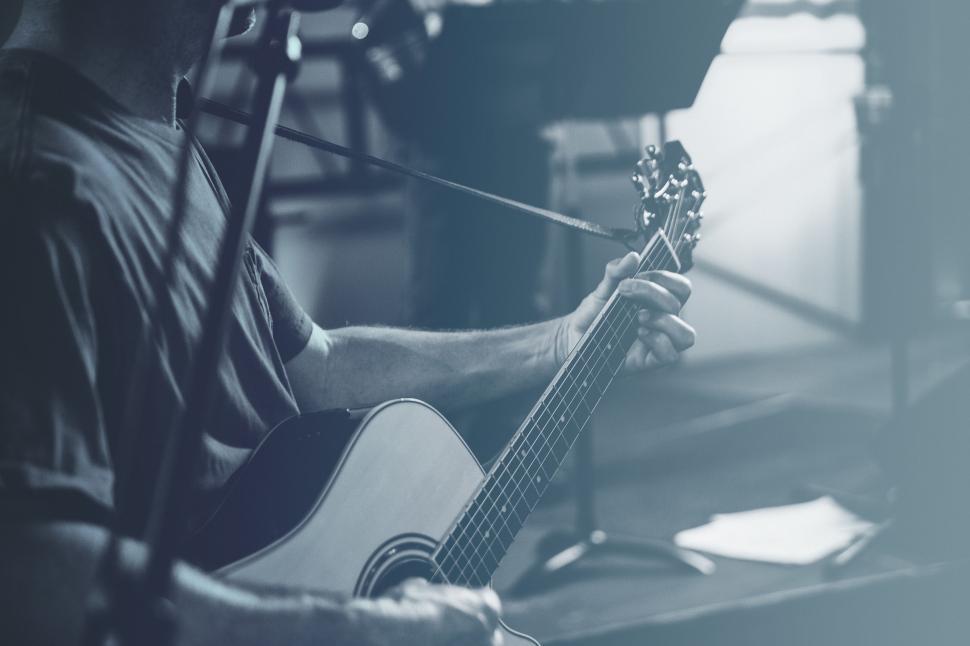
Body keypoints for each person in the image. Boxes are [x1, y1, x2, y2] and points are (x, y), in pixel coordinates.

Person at [0, 1, 696, 645]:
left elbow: (318, 366)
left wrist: (559, 342)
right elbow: (34, 572)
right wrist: (362, 631)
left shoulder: (159, 133)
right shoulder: (35, 180)